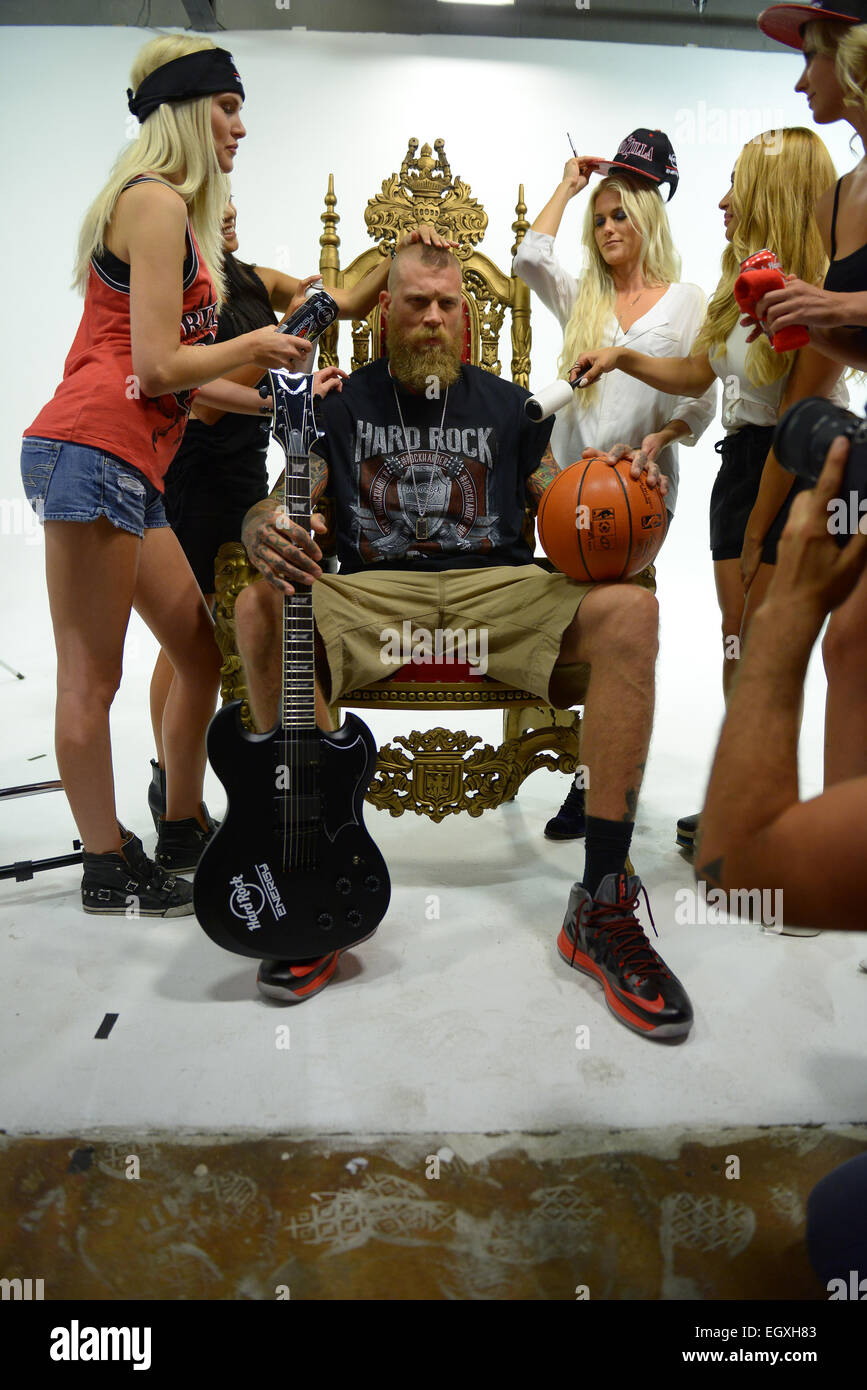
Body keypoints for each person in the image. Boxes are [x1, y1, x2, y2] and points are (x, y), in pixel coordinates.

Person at [233, 240, 694, 1043]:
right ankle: (310, 870)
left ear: (467, 317)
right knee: (258, 606)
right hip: (376, 592)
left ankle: (601, 902)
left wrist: (621, 488)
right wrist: (267, 525)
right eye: (415, 303)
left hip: (499, 591)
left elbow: (559, 496)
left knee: (631, 612)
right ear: (386, 313)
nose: (432, 318)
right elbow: (283, 499)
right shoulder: (338, 406)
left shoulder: (511, 406)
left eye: (447, 304)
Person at [20, 35, 313, 917]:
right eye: (227, 108)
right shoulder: (149, 203)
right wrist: (259, 344)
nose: (240, 127)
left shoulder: (173, 217)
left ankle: (182, 818)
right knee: (92, 676)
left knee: (195, 647)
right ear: (188, 110)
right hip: (90, 449)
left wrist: (281, 398)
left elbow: (186, 374)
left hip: (124, 462)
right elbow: (154, 364)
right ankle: (107, 863)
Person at [569, 127, 847, 858]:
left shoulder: (813, 291)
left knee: (767, 650)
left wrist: (758, 528)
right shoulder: (746, 279)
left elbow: (795, 416)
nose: (721, 200)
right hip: (741, 465)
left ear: (771, 191)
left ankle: (775, 832)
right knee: (740, 647)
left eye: (734, 183)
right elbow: (704, 374)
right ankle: (745, 808)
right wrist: (624, 356)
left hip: (793, 472)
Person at [147, 200, 450, 869]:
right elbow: (196, 396)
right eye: (212, 206)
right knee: (192, 639)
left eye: (233, 204)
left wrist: (395, 254)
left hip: (245, 470)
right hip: (195, 467)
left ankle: (176, 782)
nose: (228, 214)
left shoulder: (253, 277)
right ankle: (176, 796)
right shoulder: (181, 288)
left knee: (195, 640)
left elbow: (338, 299)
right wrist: (282, 382)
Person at [513, 129, 717, 841]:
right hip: (567, 491)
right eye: (598, 219)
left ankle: (590, 788)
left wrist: (667, 437)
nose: (605, 229)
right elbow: (527, 257)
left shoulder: (687, 302)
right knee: (572, 627)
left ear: (648, 220)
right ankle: (580, 766)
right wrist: (569, 185)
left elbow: (700, 398)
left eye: (618, 215)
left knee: (619, 632)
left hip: (637, 492)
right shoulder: (582, 296)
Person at [751, 4, 867, 817]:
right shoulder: (843, 193)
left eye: (813, 59)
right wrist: (813, 321)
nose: (802, 79)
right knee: (850, 649)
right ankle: (841, 857)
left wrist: (832, 305)